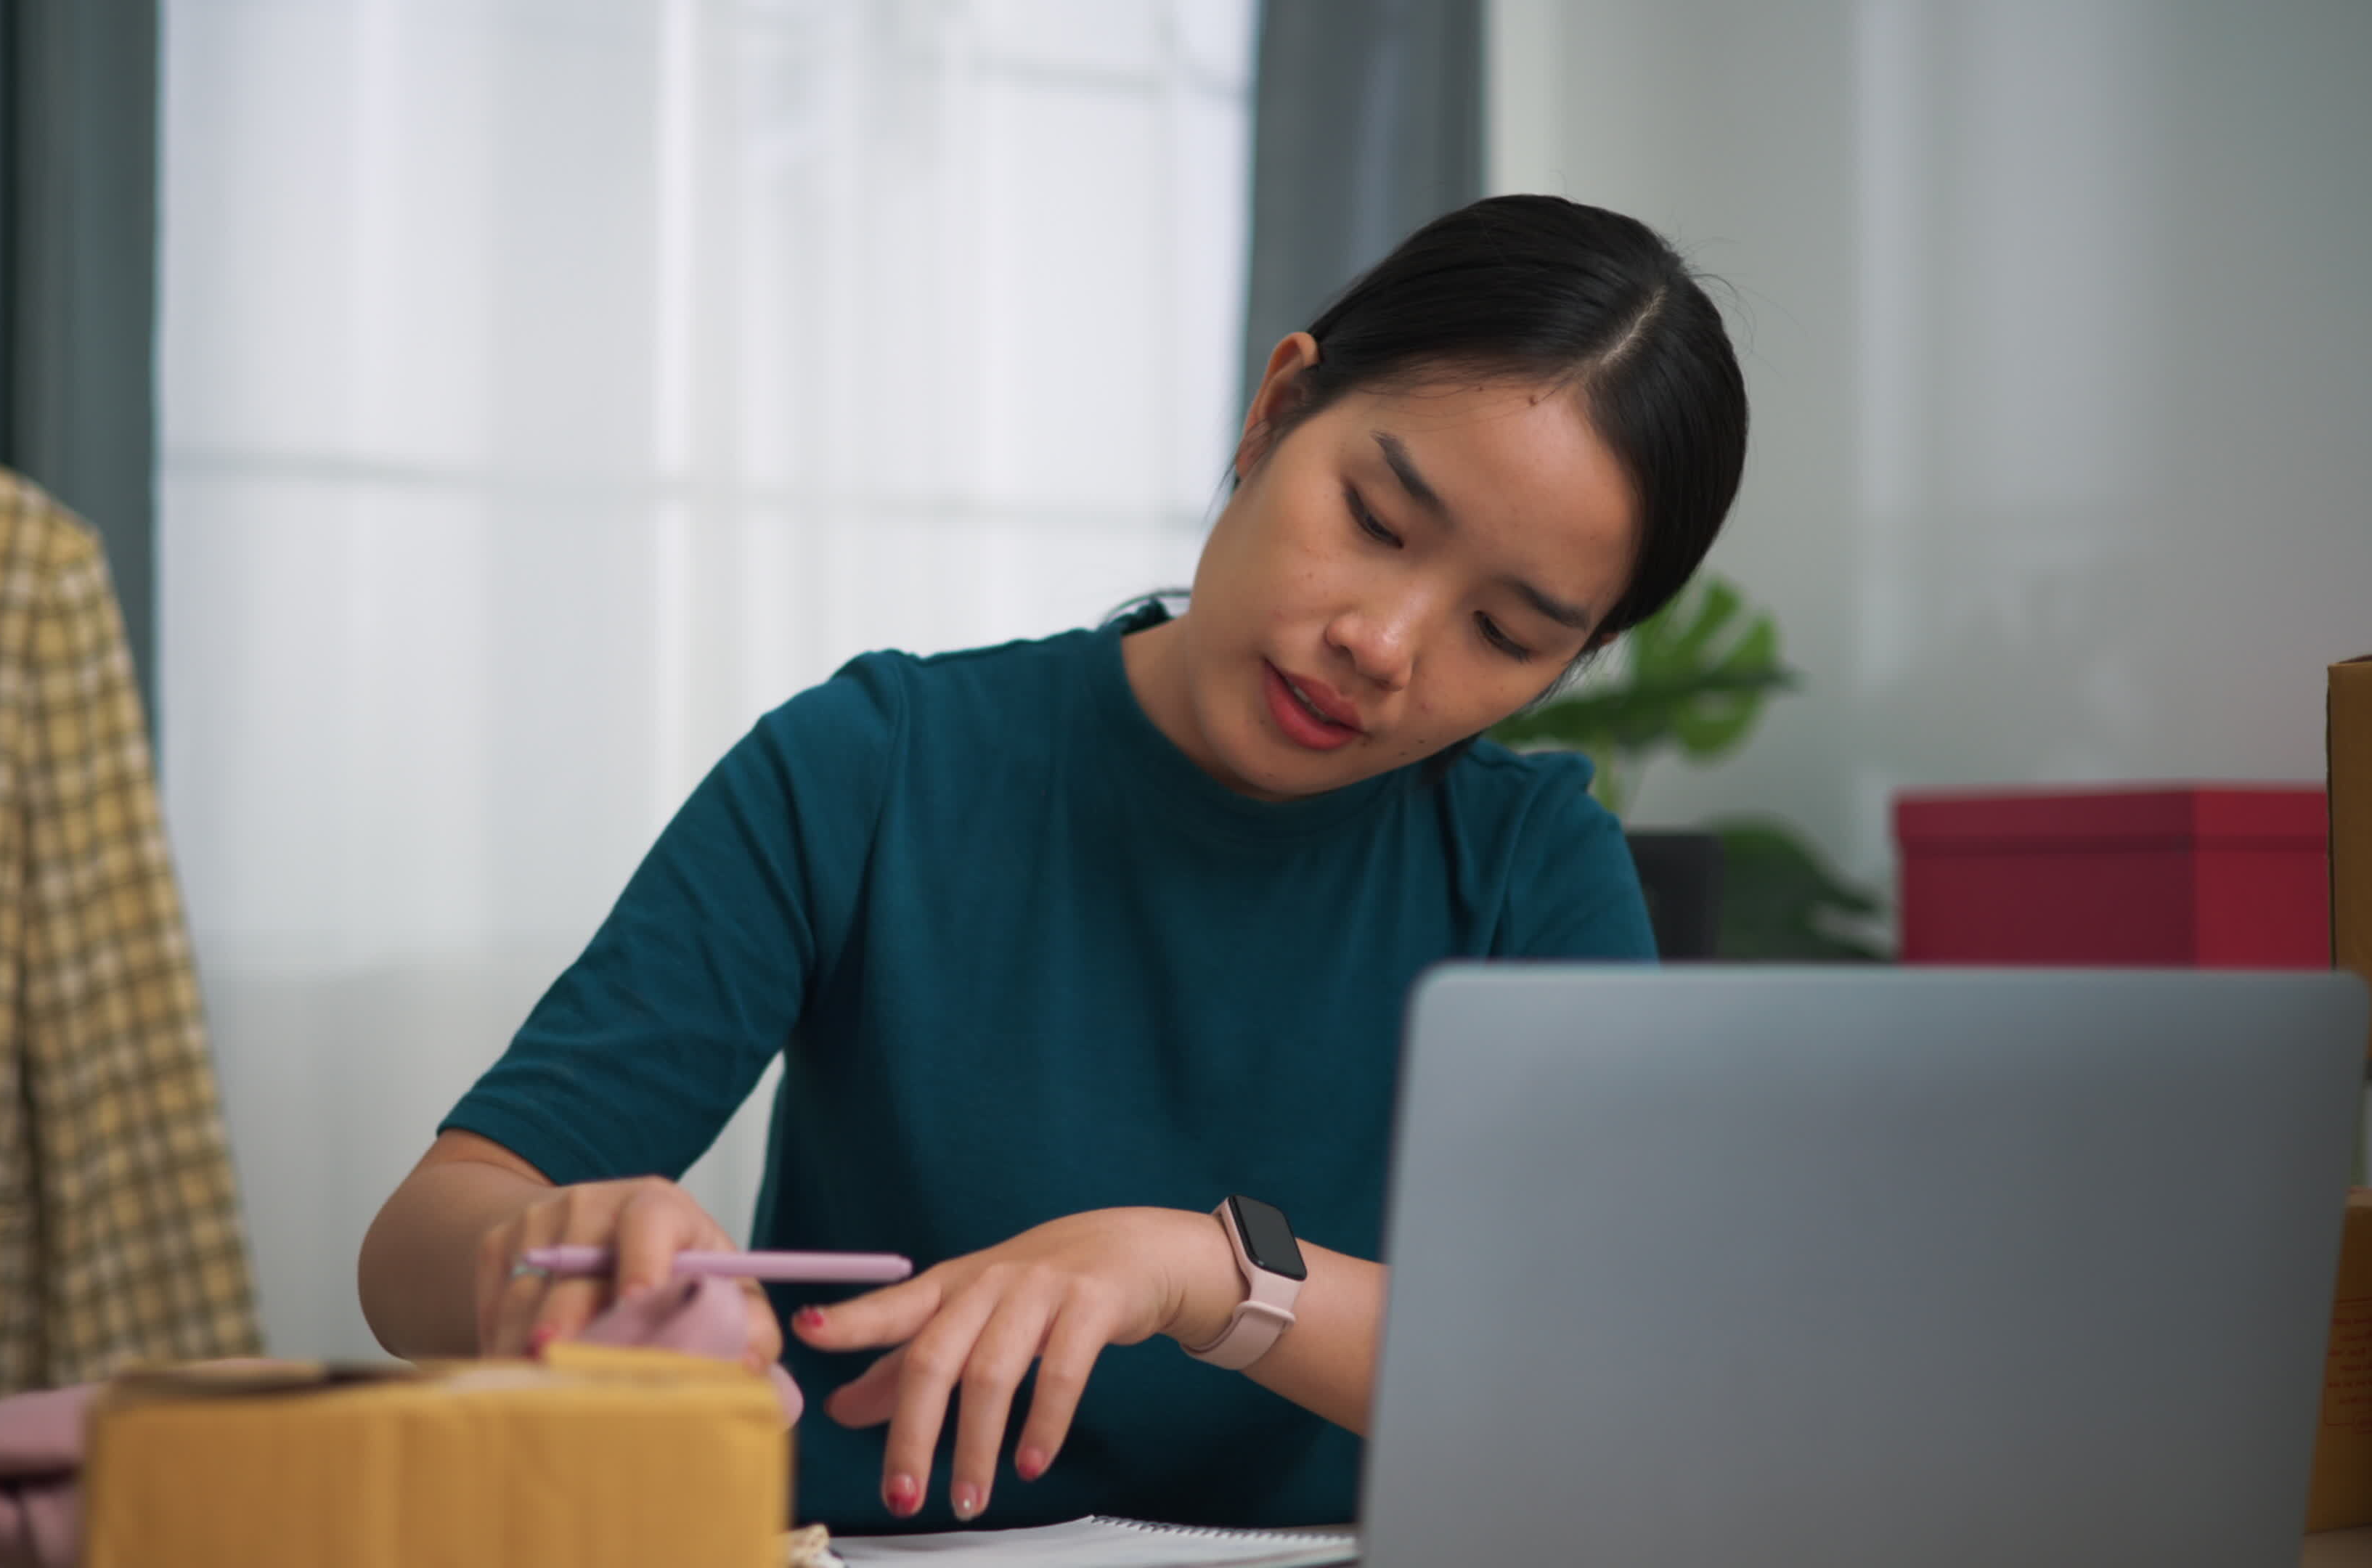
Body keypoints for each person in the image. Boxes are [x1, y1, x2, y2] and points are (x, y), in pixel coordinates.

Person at [358, 193, 1748, 1533]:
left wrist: (1206, 1273)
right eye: (1378, 524)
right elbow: (421, 1240)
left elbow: (1596, 1381)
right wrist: (555, 1257)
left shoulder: (1528, 864)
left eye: (1505, 635)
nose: (1383, 646)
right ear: (1277, 412)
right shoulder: (874, 765)